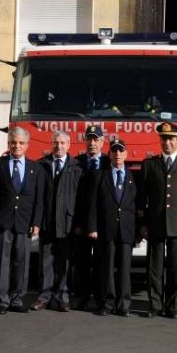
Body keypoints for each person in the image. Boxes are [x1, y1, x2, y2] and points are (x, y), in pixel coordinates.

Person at [137, 122, 177, 319]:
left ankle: (172, 307)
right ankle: (155, 305)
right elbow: (141, 198)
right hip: (155, 223)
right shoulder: (149, 164)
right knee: (154, 268)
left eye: (171, 139)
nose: (167, 142)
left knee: (175, 268)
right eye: (164, 138)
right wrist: (143, 223)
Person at [0, 126, 45, 314]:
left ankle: (17, 298)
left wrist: (36, 223)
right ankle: (1, 300)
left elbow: (39, 199)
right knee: (1, 262)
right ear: (9, 144)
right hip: (3, 221)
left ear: (27, 145)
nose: (17, 146)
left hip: (24, 222)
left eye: (21, 143)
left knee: (21, 262)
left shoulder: (35, 168)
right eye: (13, 142)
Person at [88, 139, 138, 317]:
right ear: (109, 154)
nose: (117, 154)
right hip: (106, 229)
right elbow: (92, 205)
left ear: (126, 154)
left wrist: (138, 232)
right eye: (114, 151)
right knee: (106, 268)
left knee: (125, 269)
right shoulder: (100, 176)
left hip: (126, 230)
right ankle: (107, 303)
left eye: (121, 151)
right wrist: (92, 227)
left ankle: (123, 305)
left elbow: (137, 206)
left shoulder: (133, 177)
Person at [35, 130, 83, 312]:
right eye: (56, 143)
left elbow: (80, 199)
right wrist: (37, 222)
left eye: (63, 143)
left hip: (67, 224)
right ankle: (44, 297)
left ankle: (62, 296)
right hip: (47, 222)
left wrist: (78, 223)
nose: (59, 146)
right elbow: (38, 197)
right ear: (51, 144)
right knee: (45, 261)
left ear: (69, 145)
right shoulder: (42, 165)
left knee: (64, 263)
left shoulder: (76, 167)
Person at [72, 125, 109, 310]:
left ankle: (99, 297)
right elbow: (73, 196)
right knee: (82, 262)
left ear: (102, 142)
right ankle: (81, 295)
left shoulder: (109, 163)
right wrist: (78, 223)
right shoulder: (76, 163)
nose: (92, 143)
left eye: (96, 139)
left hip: (102, 223)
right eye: (89, 139)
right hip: (81, 223)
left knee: (101, 263)